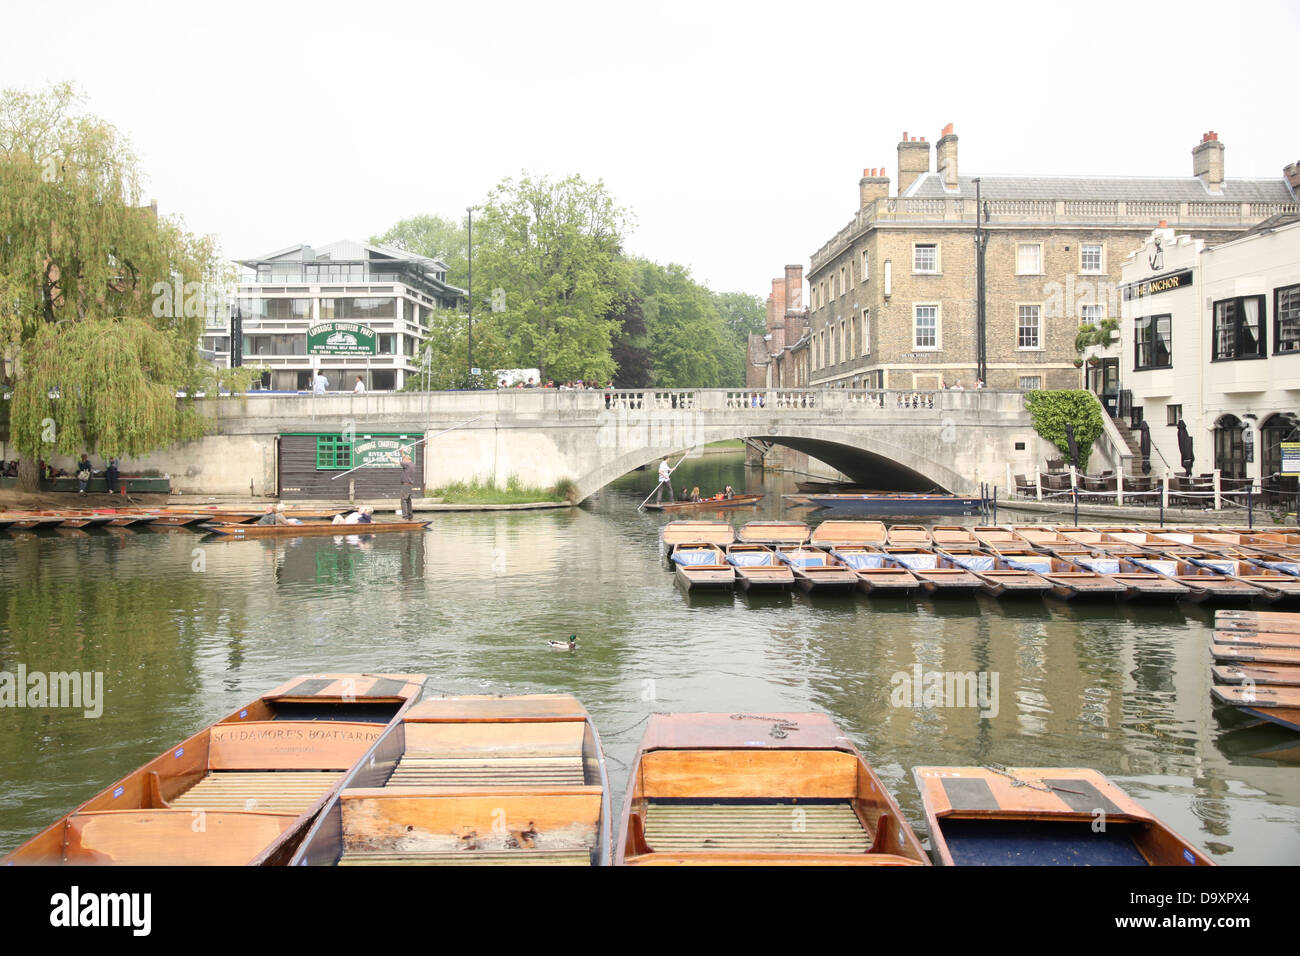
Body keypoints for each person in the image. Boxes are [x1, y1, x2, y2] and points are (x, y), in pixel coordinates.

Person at [400, 450, 416, 520]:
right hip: (410, 485)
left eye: (404, 460)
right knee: (408, 500)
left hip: (406, 485)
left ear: (406, 460)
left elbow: (396, 462)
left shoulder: (406, 464)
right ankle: (410, 516)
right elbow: (404, 458)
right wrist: (402, 452)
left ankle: (405, 516)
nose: (403, 461)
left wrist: (389, 457)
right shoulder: (412, 464)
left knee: (403, 500)